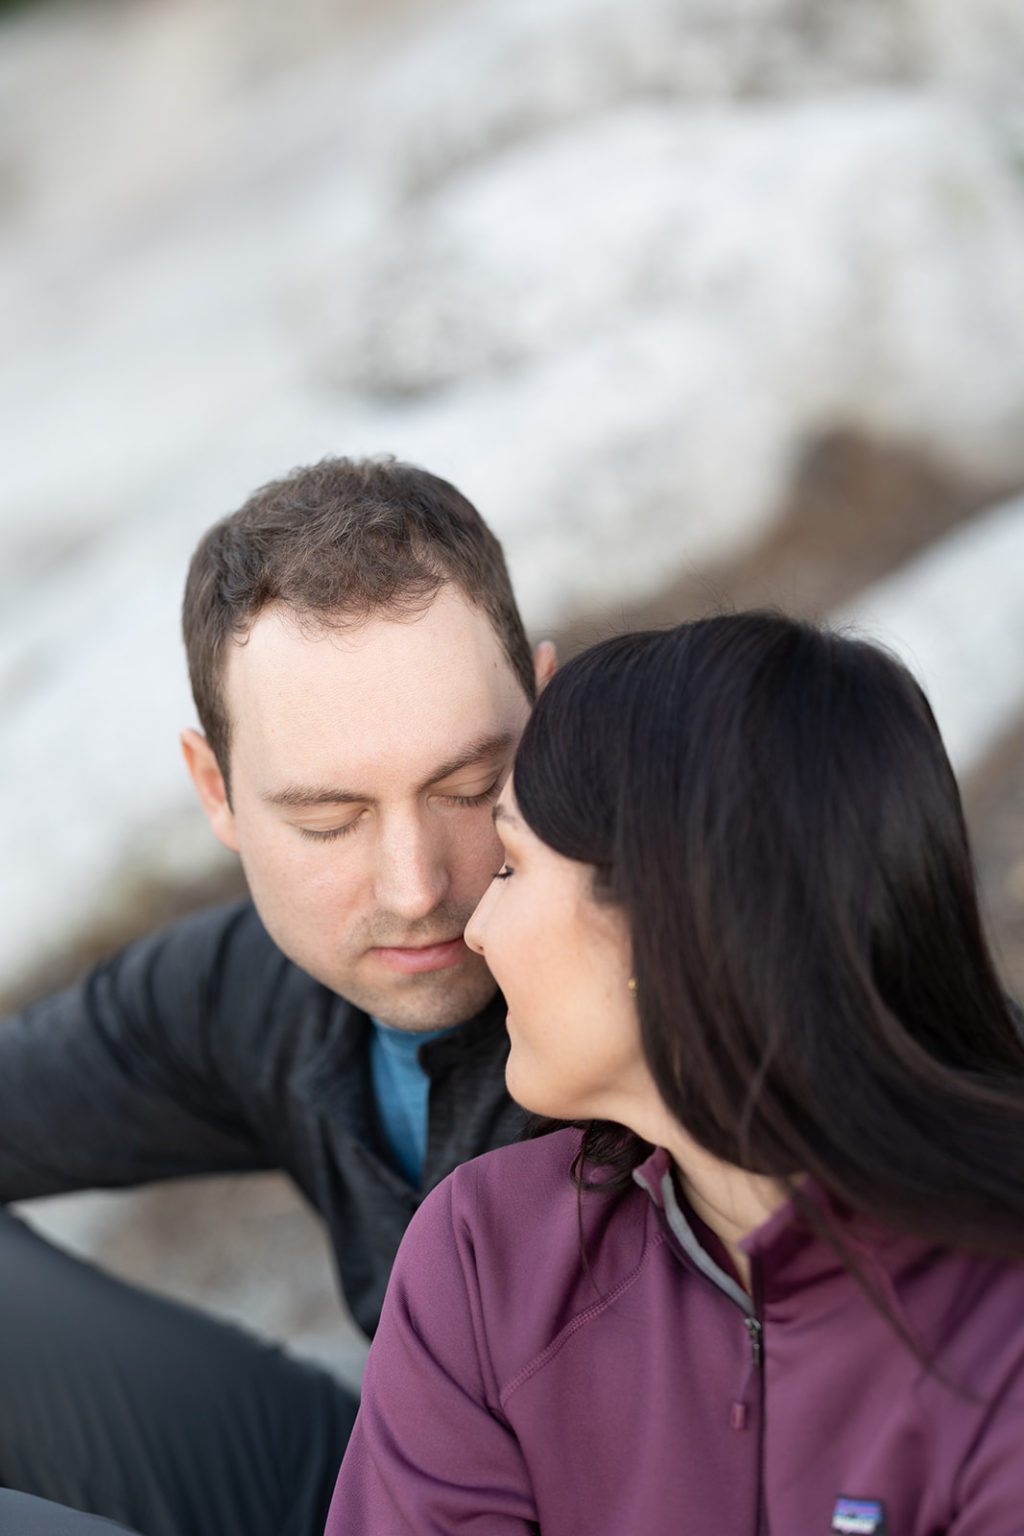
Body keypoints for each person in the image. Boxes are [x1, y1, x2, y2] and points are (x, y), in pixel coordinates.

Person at [329, 612, 1024, 1535]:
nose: (479, 931)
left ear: (658, 923)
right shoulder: (484, 1257)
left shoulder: (998, 1336)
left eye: (512, 865)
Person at [0, 457, 555, 1536]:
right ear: (216, 791)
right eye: (327, 819)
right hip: (386, 1496)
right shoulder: (246, 989)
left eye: (468, 788)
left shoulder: (680, 980)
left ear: (545, 711)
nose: (414, 886)